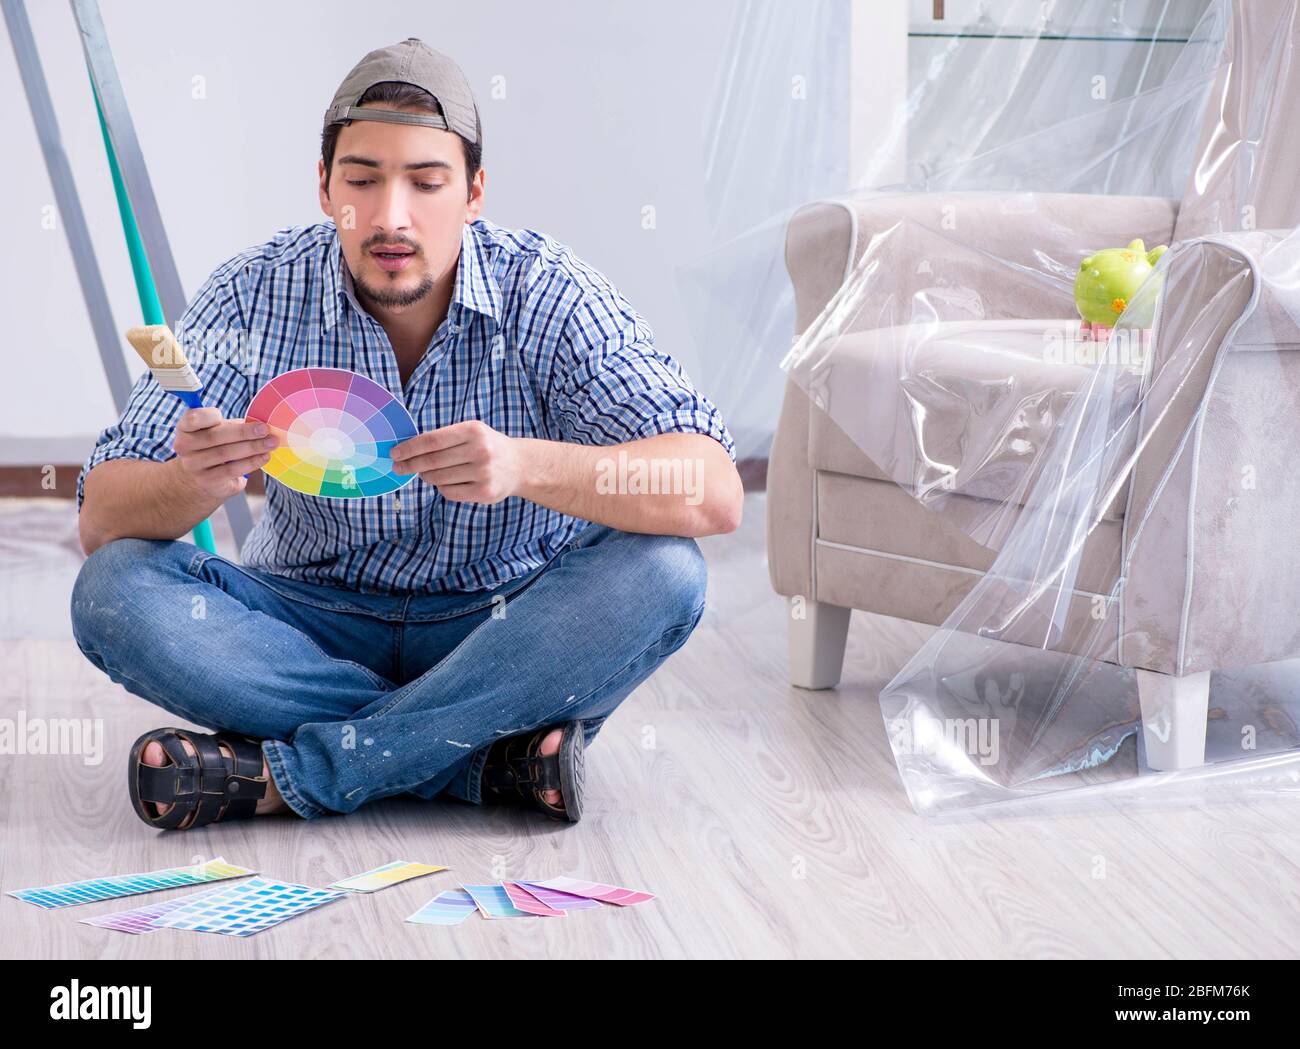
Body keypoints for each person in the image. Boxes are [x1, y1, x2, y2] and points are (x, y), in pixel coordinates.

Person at [71, 38, 741, 831]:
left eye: (426, 183)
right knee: (114, 592)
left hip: (503, 626)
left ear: (474, 192)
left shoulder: (548, 290)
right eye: (362, 180)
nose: (391, 217)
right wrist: (195, 479)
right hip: (305, 624)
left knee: (666, 572)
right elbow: (102, 522)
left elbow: (712, 488)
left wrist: (526, 465)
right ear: (324, 187)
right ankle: (473, 759)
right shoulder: (254, 292)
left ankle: (308, 770)